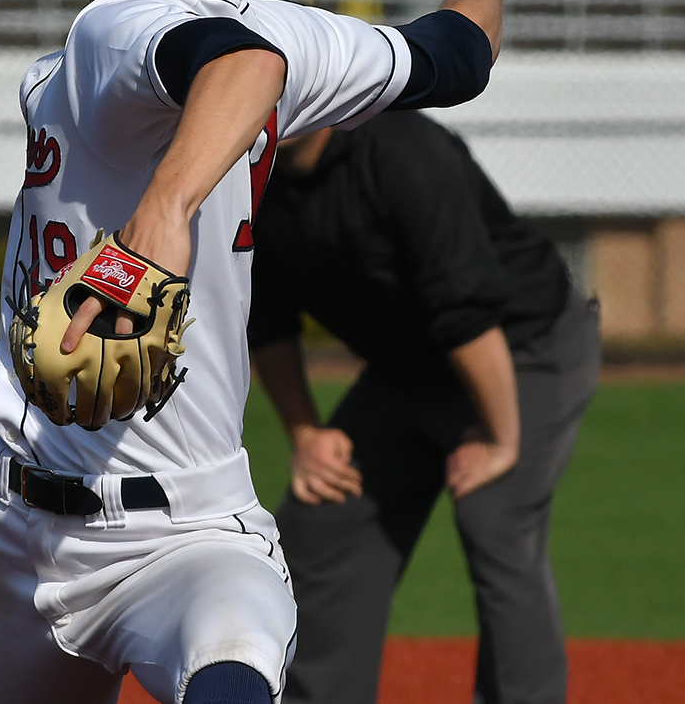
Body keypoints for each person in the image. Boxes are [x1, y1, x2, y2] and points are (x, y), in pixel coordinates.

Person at [0, 0, 523, 704]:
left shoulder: (118, 24)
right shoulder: (293, 29)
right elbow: (454, 57)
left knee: (235, 666)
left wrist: (165, 208)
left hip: (183, 532)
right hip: (14, 529)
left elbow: (240, 63)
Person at [247, 112, 602, 704]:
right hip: (408, 373)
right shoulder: (250, 182)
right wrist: (306, 435)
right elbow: (267, 323)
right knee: (320, 519)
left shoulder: (402, 149)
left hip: (524, 351)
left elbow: (462, 306)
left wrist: (501, 439)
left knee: (494, 513)